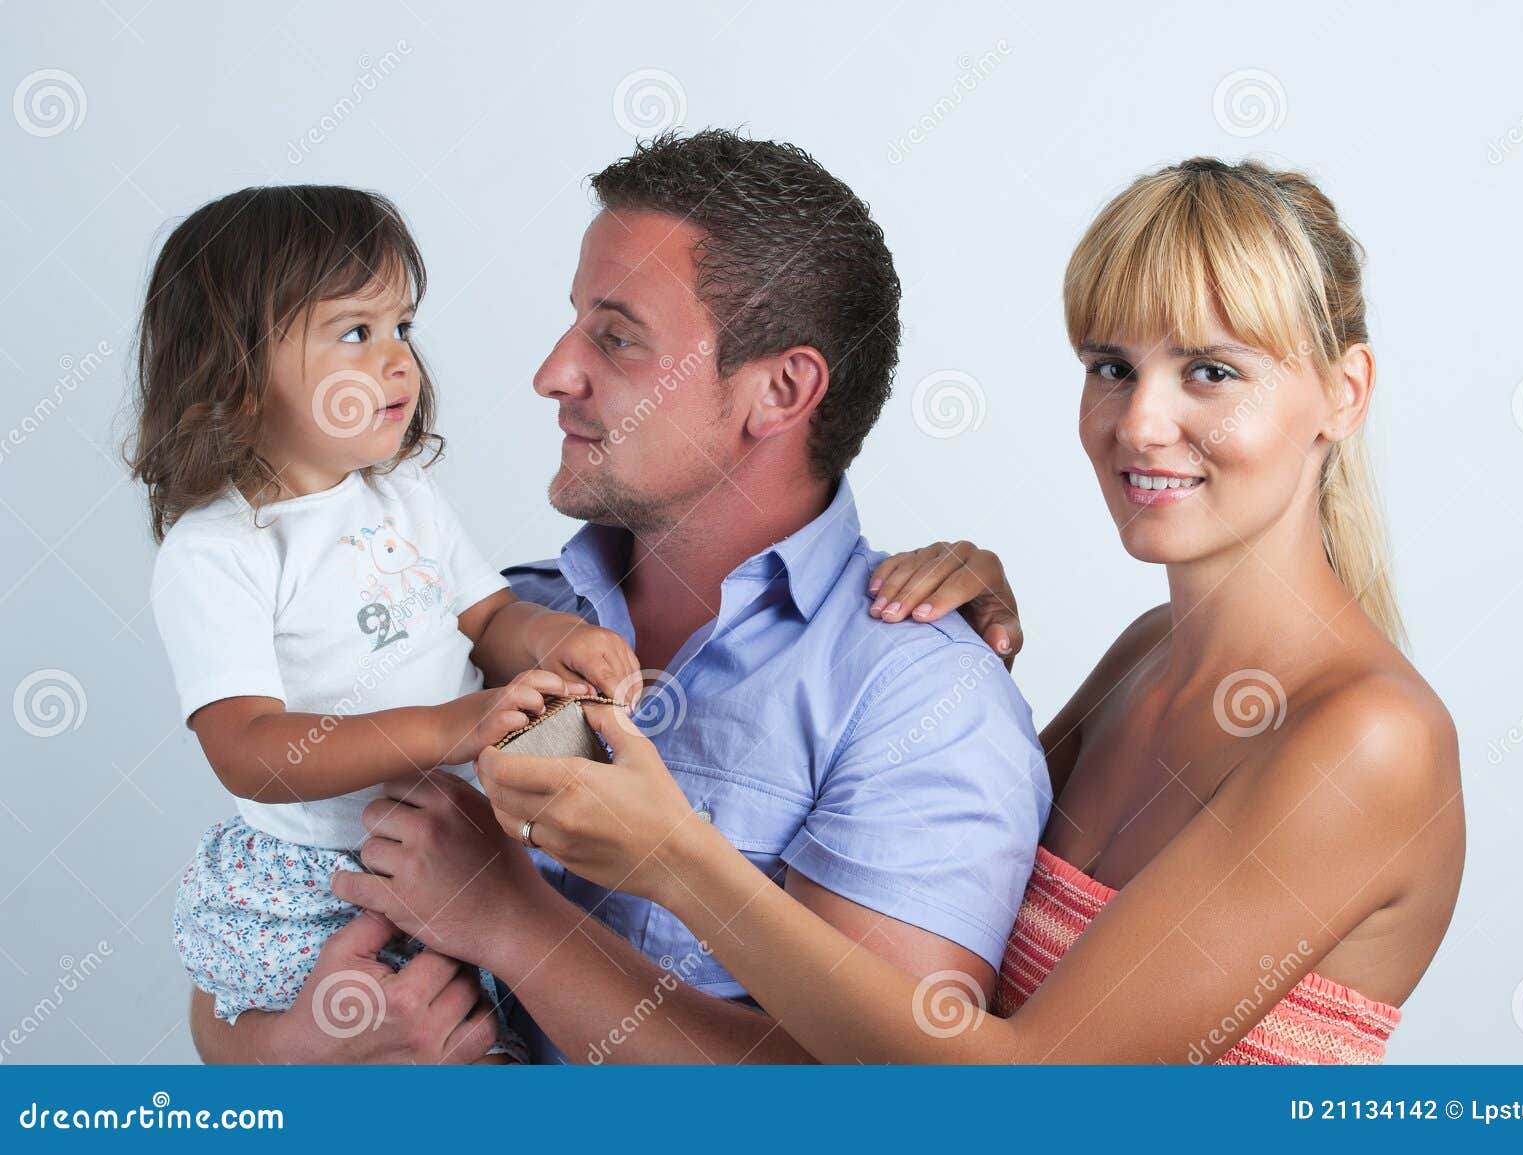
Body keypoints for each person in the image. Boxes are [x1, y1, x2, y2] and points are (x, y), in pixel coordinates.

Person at [476, 157, 1467, 1064]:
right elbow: (951, 883)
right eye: (1111, 366)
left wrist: (675, 863)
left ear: (1345, 392)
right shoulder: (1149, 655)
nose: (1139, 422)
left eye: (1210, 370)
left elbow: (1028, 1100)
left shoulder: (1370, 741)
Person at [189, 132, 1052, 1064]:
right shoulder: (490, 615)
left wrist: (515, 923)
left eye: (616, 335)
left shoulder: (922, 701)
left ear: (781, 389)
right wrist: (295, 1048)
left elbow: (888, 1107)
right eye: (572, 323)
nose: (553, 372)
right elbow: (241, 953)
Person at [133, 186, 638, 1064]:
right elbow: (247, 748)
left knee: (484, 1044)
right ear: (234, 374)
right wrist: (448, 730)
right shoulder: (220, 550)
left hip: (447, 854)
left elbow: (489, 618)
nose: (399, 361)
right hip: (315, 884)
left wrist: (556, 641)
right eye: (356, 333)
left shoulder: (404, 496)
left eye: (402, 327)